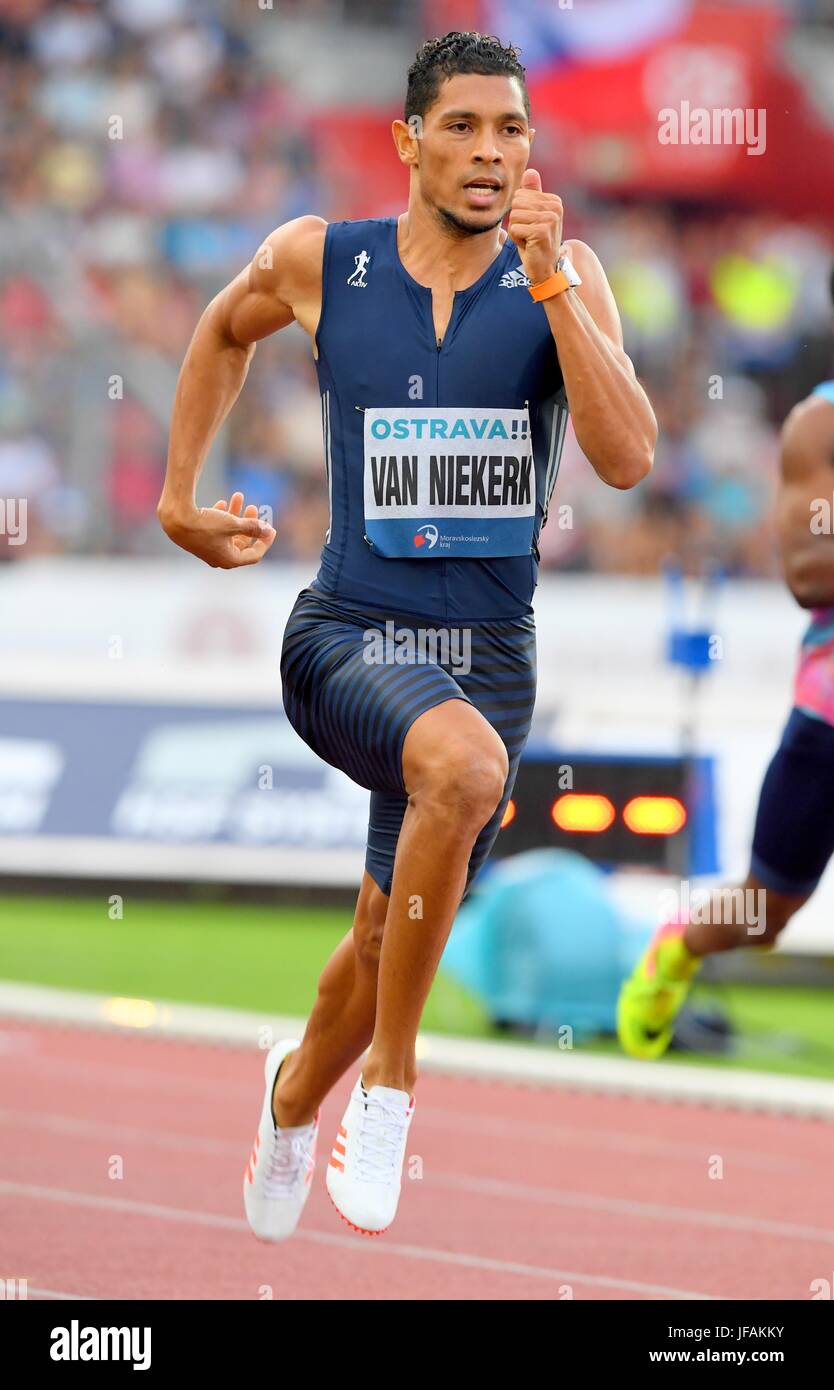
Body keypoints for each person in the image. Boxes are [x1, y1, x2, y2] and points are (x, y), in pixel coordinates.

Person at [158, 31, 656, 1239]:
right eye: (465, 127)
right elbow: (225, 331)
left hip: (489, 656)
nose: (492, 153)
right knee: (468, 771)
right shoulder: (324, 259)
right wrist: (181, 497)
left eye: (513, 131)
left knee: (387, 932)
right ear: (408, 141)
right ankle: (392, 1082)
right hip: (345, 632)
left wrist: (550, 289)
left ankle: (289, 1095)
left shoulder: (565, 272)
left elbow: (629, 456)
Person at [618, 281, 834, 1060]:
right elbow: (809, 572)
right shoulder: (821, 424)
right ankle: (677, 948)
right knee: (768, 913)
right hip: (828, 715)